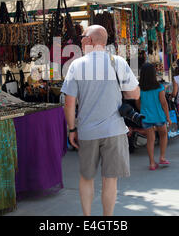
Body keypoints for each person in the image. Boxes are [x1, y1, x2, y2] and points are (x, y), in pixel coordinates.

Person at [61, 25, 139, 216]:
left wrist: (72, 129)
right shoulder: (118, 62)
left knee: (86, 178)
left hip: (88, 132)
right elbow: (135, 93)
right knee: (110, 180)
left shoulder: (76, 65)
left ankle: (87, 218)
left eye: (82, 37)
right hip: (114, 130)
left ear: (90, 40)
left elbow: (69, 102)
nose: (80, 40)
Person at [136, 63, 171, 170]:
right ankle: (162, 157)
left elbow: (137, 102)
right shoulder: (159, 87)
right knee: (163, 135)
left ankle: (151, 163)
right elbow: (164, 103)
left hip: (146, 117)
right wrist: (168, 117)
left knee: (150, 139)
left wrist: (142, 110)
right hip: (159, 116)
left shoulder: (139, 88)